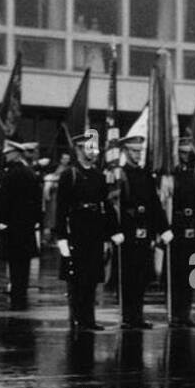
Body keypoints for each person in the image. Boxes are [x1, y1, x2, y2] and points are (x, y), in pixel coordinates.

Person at [55, 129, 116, 332]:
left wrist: (108, 236)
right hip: (76, 229)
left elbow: (105, 206)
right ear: (79, 149)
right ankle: (77, 318)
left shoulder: (98, 176)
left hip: (94, 230)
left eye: (95, 148)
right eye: (89, 148)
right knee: (76, 277)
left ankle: (88, 318)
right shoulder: (69, 175)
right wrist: (61, 237)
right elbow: (61, 208)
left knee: (91, 277)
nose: (93, 152)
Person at [112, 131, 170, 329]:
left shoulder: (145, 174)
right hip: (127, 232)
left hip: (144, 232)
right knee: (127, 277)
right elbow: (114, 205)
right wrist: (115, 230)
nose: (137, 155)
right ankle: (128, 317)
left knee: (142, 277)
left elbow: (154, 204)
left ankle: (138, 315)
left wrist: (163, 228)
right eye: (133, 151)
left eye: (139, 151)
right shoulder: (120, 174)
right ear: (125, 151)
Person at [0, 140, 44, 308]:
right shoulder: (30, 173)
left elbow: (5, 200)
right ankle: (20, 289)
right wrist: (37, 221)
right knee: (23, 262)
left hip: (12, 224)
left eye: (8, 153)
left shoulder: (11, 174)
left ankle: (17, 290)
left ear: (16, 153)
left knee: (14, 261)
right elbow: (37, 200)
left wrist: (2, 220)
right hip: (27, 224)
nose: (6, 156)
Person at [168, 136, 195, 328]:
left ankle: (185, 313)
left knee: (190, 274)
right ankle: (174, 313)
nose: (185, 156)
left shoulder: (193, 176)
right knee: (176, 273)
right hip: (177, 227)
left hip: (191, 227)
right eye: (182, 152)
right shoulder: (171, 176)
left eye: (187, 153)